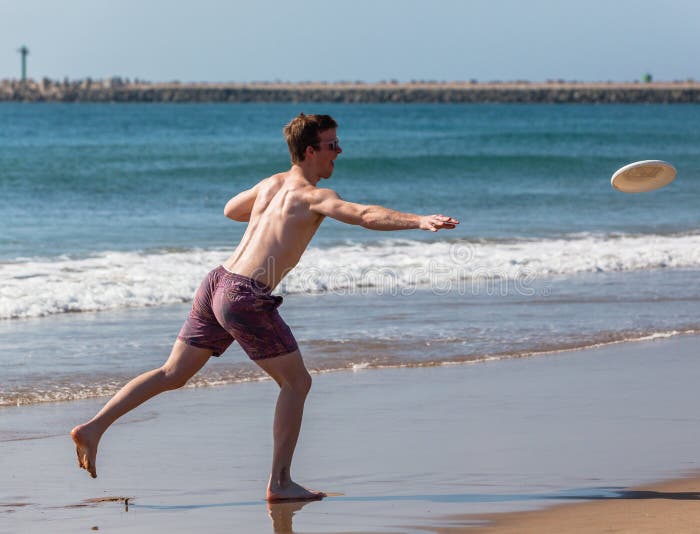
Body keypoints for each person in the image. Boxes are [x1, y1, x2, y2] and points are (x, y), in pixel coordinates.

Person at [71, 113, 459, 501]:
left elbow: (230, 210)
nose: (338, 152)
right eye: (332, 145)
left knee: (173, 373)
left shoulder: (271, 184)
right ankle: (280, 482)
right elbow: (364, 215)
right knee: (297, 382)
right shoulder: (315, 196)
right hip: (244, 297)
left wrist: (269, 213)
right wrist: (418, 220)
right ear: (310, 151)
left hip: (216, 281)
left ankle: (94, 427)